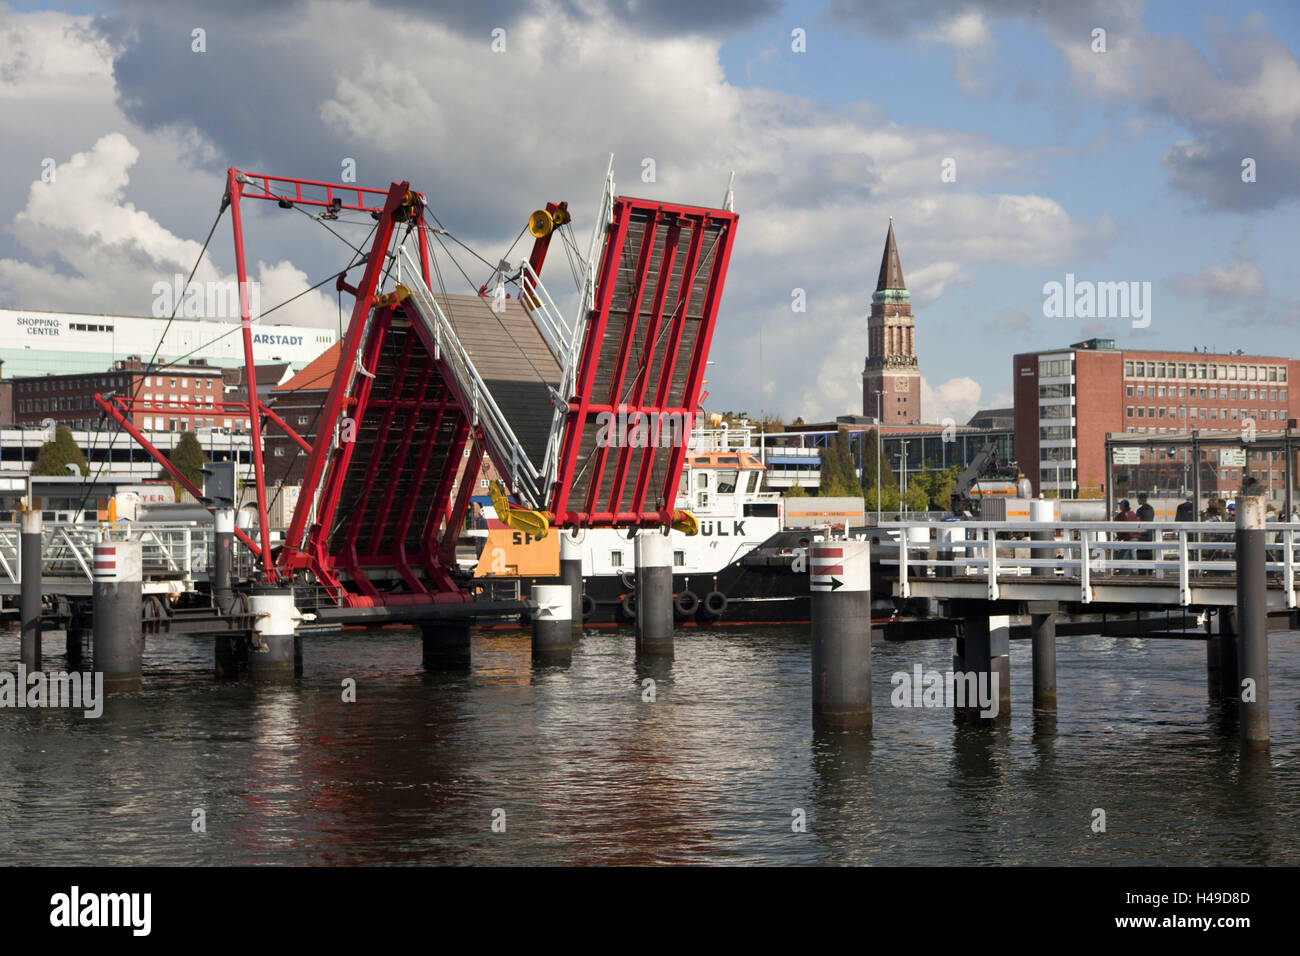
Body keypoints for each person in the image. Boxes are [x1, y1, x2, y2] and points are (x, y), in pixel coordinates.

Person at [1113, 499, 1140, 573]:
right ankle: (1134, 572)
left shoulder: (1122, 515)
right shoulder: (1132, 513)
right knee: (1132, 554)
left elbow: (1115, 523)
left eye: (1120, 505)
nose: (1119, 506)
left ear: (1123, 506)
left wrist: (1119, 536)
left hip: (1129, 538)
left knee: (1123, 554)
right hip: (1135, 537)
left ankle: (1119, 569)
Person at [1135, 492, 1155, 573]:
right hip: (1149, 533)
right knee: (1149, 552)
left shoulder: (1140, 510)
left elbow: (1137, 522)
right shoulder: (1151, 509)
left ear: (1142, 499)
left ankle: (1142, 571)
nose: (1137, 500)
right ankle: (1150, 570)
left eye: (1138, 498)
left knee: (1141, 553)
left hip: (1142, 534)